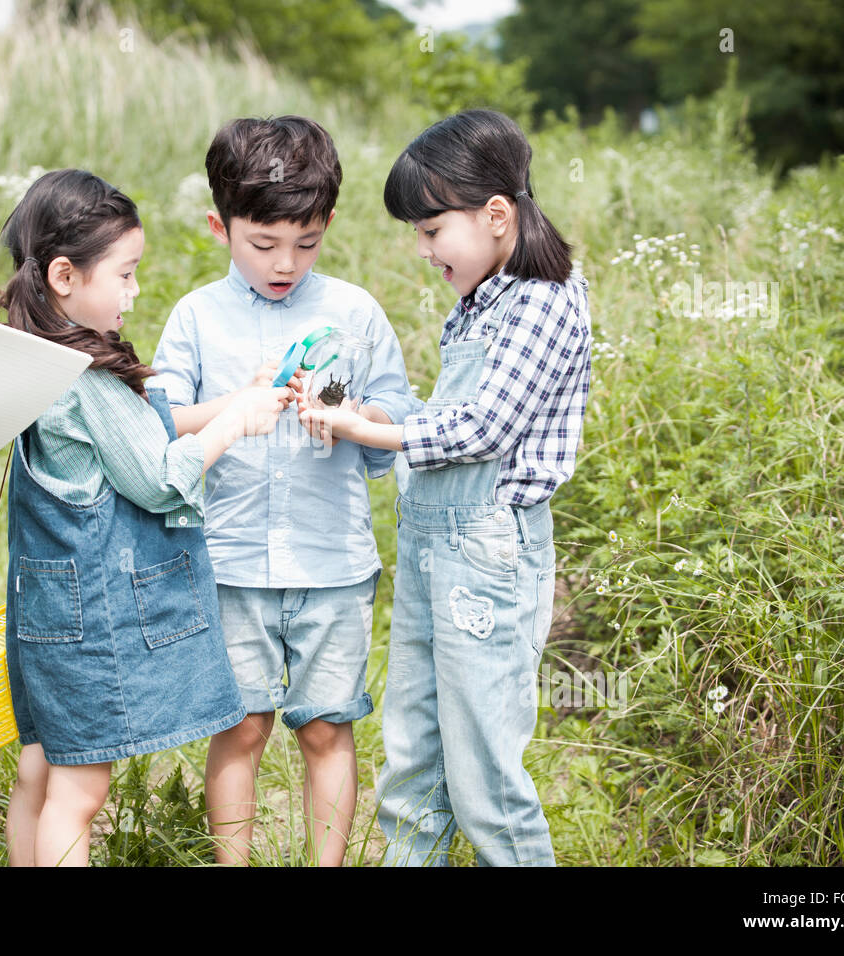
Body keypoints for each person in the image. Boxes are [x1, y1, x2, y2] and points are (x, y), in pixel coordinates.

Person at [299, 109, 593, 866]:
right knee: (413, 772)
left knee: (484, 784)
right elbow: (451, 418)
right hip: (437, 551)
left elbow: (488, 429)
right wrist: (368, 412)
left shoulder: (543, 297)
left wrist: (370, 433)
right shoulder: (480, 303)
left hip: (489, 554)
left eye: (432, 230)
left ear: (497, 215)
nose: (423, 250)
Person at [0, 169, 293, 867]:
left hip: (46, 609)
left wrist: (231, 402)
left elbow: (140, 434)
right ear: (65, 275)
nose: (134, 291)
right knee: (80, 791)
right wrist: (235, 428)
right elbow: (161, 478)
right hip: (91, 619)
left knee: (40, 770)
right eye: (125, 275)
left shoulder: (37, 357)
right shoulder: (84, 374)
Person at [153, 116, 415, 866]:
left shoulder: (356, 313)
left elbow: (397, 411)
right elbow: (163, 423)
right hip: (230, 564)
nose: (285, 262)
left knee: (327, 727)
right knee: (240, 728)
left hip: (331, 564)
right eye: (263, 244)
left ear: (327, 224)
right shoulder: (198, 317)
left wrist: (352, 417)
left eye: (305, 243)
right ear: (219, 226)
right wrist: (236, 406)